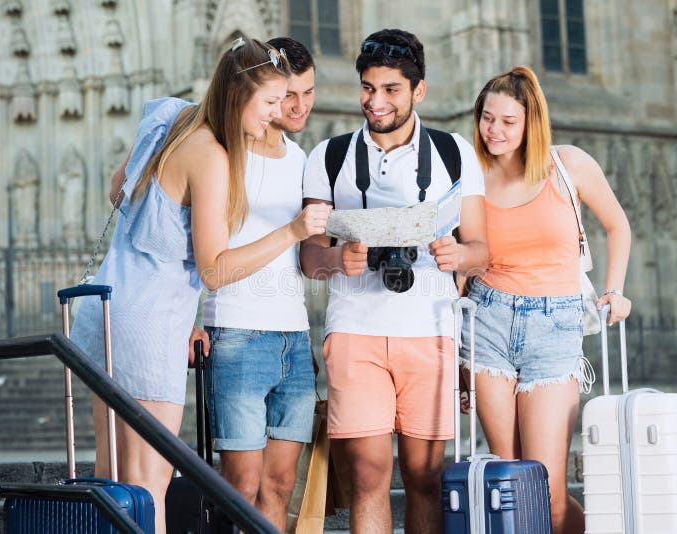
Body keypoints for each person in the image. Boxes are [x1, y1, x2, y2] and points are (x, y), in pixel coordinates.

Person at [70, 36, 329, 533]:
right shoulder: (212, 154)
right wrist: (293, 231)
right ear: (237, 96)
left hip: (106, 311)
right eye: (270, 101)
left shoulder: (173, 116)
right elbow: (214, 270)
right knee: (149, 484)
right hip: (150, 326)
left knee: (112, 481)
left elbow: (116, 188)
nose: (277, 113)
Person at [299, 29, 489, 533]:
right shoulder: (330, 156)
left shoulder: (453, 154)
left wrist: (458, 254)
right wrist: (339, 260)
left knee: (426, 477)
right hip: (355, 331)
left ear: (418, 90)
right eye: (367, 88)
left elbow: (482, 249)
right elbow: (308, 257)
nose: (375, 101)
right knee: (366, 476)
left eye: (390, 89)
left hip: (430, 332)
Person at [461, 65, 632, 533]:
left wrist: (614, 289)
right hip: (487, 323)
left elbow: (618, 224)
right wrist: (455, 356)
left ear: (531, 123)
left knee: (548, 490)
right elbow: (463, 260)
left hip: (555, 327)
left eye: (507, 121)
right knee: (509, 481)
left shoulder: (568, 164)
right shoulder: (471, 175)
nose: (493, 130)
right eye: (486, 117)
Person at [187, 36, 320, 531]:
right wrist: (189, 320)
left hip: (291, 333)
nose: (297, 106)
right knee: (239, 484)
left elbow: (302, 255)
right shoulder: (221, 152)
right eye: (286, 95)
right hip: (237, 333)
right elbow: (197, 254)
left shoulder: (300, 157)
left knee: (280, 484)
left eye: (307, 94)